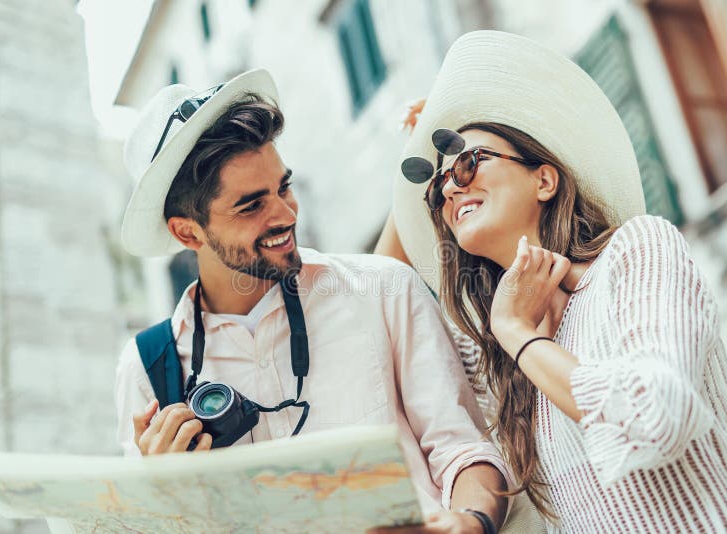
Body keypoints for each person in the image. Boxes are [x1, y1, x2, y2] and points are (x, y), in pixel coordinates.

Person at [382, 30, 727, 532]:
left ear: (544, 180)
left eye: (469, 160)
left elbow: (657, 414)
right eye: (438, 186)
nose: (451, 186)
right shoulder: (493, 361)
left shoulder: (635, 251)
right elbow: (379, 300)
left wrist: (521, 335)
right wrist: (418, 154)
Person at [114, 68, 513, 533]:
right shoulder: (147, 369)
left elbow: (465, 451)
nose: (286, 214)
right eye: (250, 205)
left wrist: (470, 523)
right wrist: (163, 501)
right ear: (187, 231)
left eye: (283, 187)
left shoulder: (383, 290)